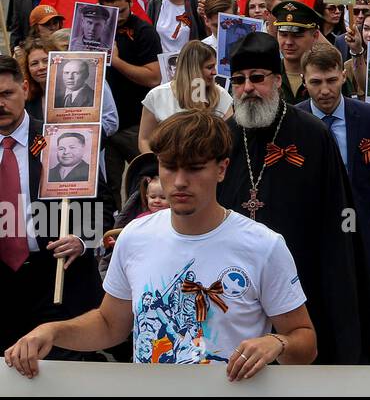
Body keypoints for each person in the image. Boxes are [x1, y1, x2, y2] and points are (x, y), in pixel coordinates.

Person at [4, 110, 317, 375]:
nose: (180, 181)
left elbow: (305, 342)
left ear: (221, 169)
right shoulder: (135, 237)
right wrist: (53, 331)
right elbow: (110, 324)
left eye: (194, 168)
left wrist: (278, 343)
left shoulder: (264, 245)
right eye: (169, 167)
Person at [218, 31, 370, 364]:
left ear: (277, 80)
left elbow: (340, 213)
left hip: (302, 278)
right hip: (234, 283)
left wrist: (341, 266)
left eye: (257, 78)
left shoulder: (312, 134)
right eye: (238, 80)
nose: (247, 88)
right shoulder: (223, 137)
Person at [298, 43, 370, 345]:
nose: (324, 90)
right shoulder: (294, 123)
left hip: (365, 234)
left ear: (343, 75)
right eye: (316, 82)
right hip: (315, 236)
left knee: (369, 317)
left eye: (331, 80)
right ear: (303, 80)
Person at [0, 55, 112, 356]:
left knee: (65, 378)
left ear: (25, 88)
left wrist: (81, 239)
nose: (0, 104)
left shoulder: (60, 139)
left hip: (60, 279)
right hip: (4, 288)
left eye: (6, 94)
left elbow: (102, 202)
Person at [98, 0, 162, 210]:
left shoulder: (144, 32)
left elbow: (154, 77)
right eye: (110, 11)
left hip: (136, 124)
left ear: (130, 4)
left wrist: (115, 61)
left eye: (121, 10)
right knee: (109, 187)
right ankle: (114, 233)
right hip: (104, 125)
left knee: (145, 182)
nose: (116, 16)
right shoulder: (95, 31)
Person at [139, 41, 233, 152]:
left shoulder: (221, 95)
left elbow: (231, 138)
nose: (214, 72)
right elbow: (144, 140)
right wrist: (159, 166)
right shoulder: (157, 96)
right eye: (209, 67)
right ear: (193, 69)